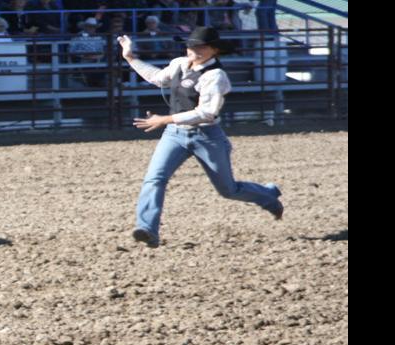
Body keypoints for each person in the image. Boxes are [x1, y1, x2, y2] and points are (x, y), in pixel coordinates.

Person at [119, 25, 280, 247]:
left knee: (228, 190)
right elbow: (157, 78)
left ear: (215, 50)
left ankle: (267, 195)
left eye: (202, 46)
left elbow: (206, 113)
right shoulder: (178, 65)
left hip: (207, 136)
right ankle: (147, 228)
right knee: (154, 178)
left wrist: (163, 119)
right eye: (192, 45)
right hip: (175, 134)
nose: (195, 49)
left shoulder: (215, 76)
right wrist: (131, 58)